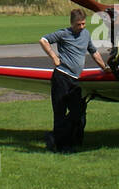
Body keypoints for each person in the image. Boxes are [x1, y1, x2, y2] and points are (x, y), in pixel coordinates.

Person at [40, 9, 110, 152]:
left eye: (84, 23)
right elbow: (44, 40)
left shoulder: (86, 34)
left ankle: (57, 137)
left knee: (78, 111)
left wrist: (104, 67)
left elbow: (94, 52)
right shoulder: (64, 33)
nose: (82, 27)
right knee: (59, 112)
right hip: (61, 77)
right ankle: (62, 147)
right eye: (78, 24)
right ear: (72, 23)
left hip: (75, 80)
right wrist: (54, 57)